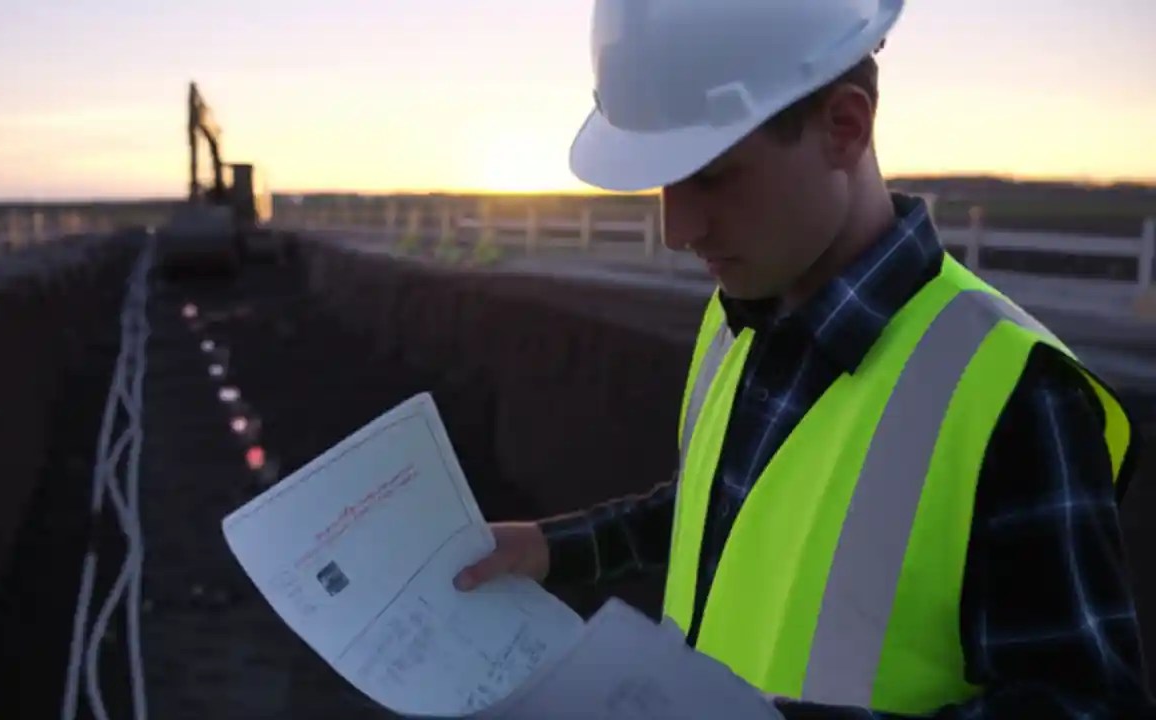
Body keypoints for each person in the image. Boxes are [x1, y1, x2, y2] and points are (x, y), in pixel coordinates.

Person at [454, 0, 1153, 717]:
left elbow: (1088, 706)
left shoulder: (1015, 394)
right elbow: (720, 510)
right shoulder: (738, 323)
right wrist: (552, 548)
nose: (677, 228)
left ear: (844, 128)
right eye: (663, 180)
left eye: (713, 175)